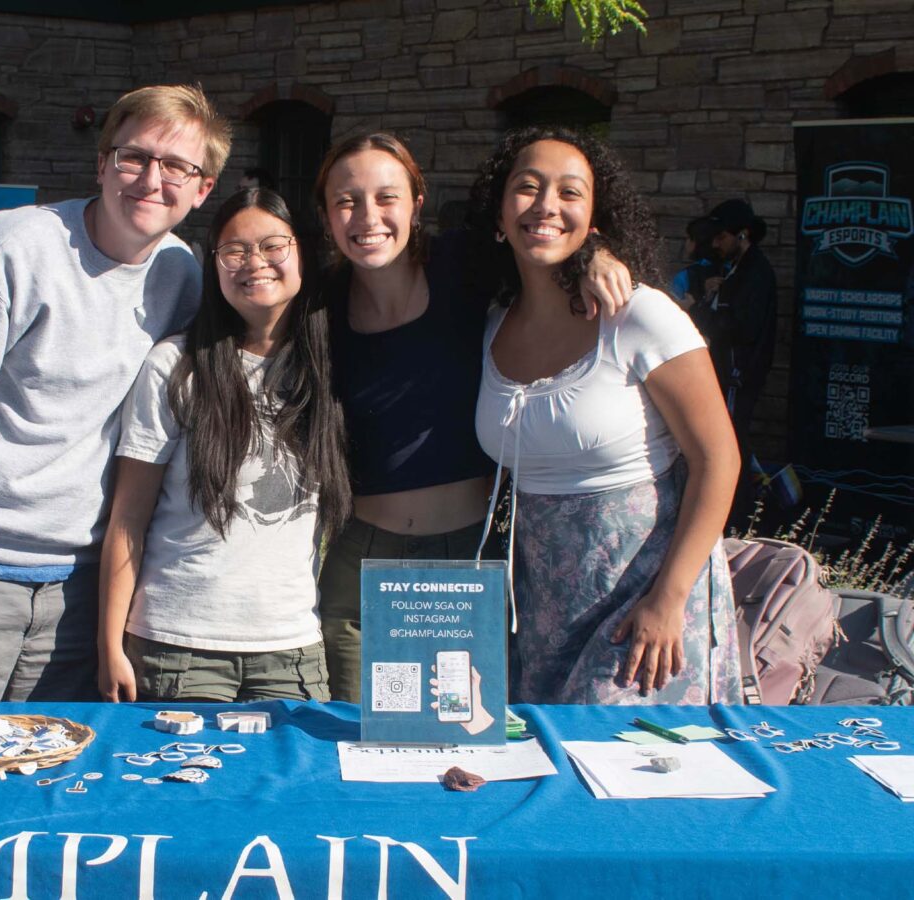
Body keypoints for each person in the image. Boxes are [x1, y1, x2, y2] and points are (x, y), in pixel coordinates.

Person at [0, 84, 231, 701]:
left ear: (202, 188)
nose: (149, 179)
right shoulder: (9, 251)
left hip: (76, 591)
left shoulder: (182, 275)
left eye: (176, 166)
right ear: (102, 162)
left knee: (47, 779)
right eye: (132, 156)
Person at [312, 132, 634, 703]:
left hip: (467, 554)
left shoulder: (464, 266)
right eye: (346, 201)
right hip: (360, 562)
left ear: (417, 202)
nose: (368, 217)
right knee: (359, 732)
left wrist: (593, 254)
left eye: (386, 197)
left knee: (460, 726)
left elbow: (542, 240)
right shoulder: (320, 305)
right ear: (327, 216)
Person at [470, 126, 743, 704]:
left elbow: (718, 459)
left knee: (630, 771)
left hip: (645, 597)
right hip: (542, 606)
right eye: (527, 187)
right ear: (498, 213)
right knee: (553, 770)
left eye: (570, 193)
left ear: (594, 219)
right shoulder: (491, 321)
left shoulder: (638, 315)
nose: (547, 205)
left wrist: (668, 598)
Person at [98, 188, 351, 703]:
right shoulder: (175, 367)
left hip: (292, 650)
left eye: (272, 245)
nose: (253, 263)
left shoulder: (331, 370)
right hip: (177, 648)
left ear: (302, 250)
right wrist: (108, 643)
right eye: (234, 251)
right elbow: (128, 518)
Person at [700, 198, 778, 526]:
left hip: (738, 374)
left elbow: (742, 328)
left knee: (730, 444)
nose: (716, 244)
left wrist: (702, 310)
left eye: (722, 237)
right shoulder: (732, 272)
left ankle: (739, 516)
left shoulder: (756, 274)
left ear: (742, 234)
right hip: (727, 372)